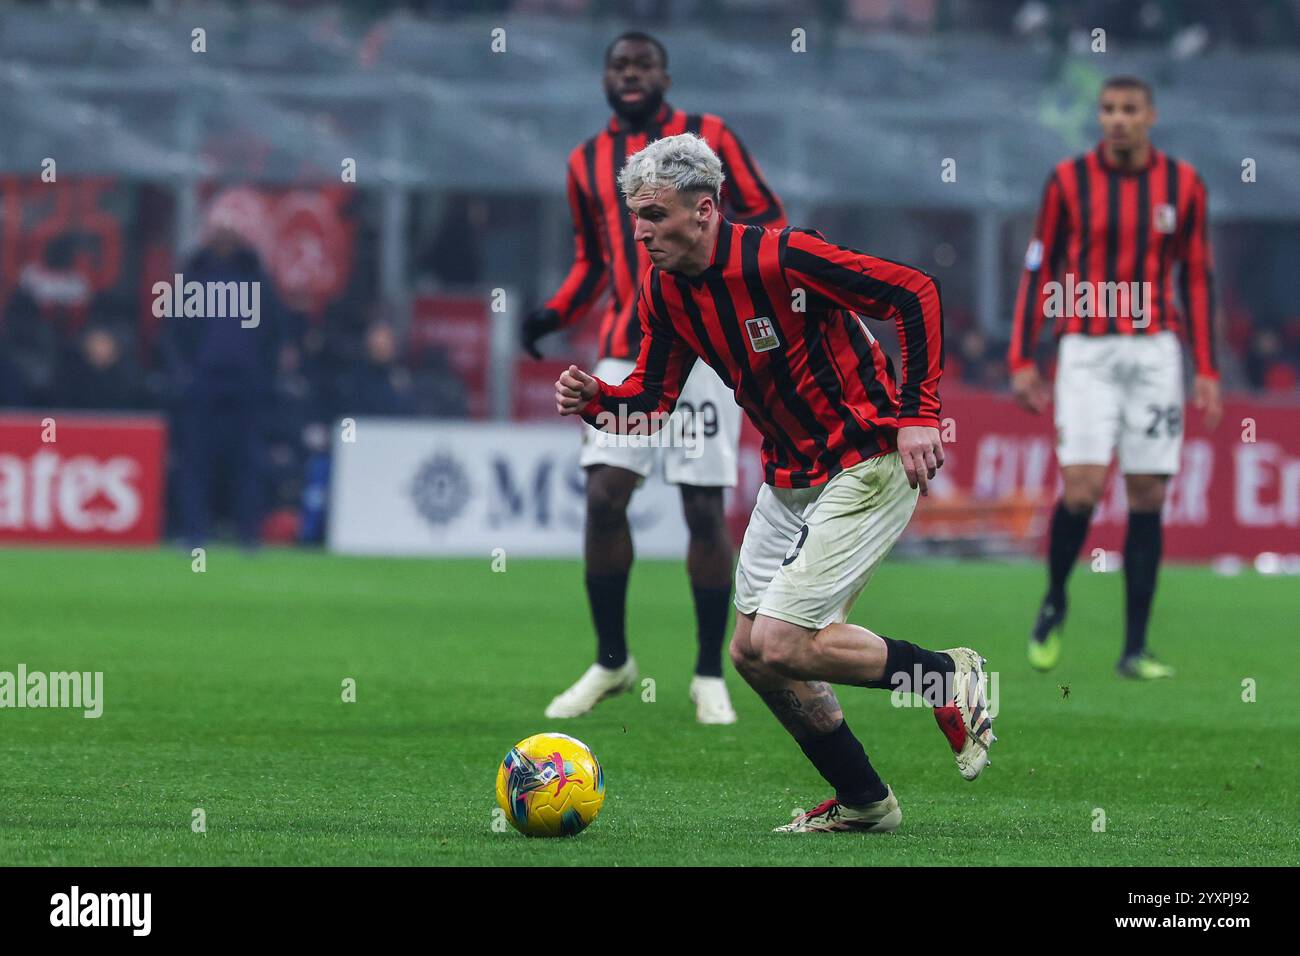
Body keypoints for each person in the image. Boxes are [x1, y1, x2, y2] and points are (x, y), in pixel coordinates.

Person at [555, 132, 994, 833]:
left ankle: (941, 674)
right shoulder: (664, 288)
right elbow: (655, 399)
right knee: (752, 656)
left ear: (704, 209)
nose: (641, 232)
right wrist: (599, 402)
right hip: (790, 477)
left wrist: (920, 415)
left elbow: (915, 293)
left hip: (866, 458)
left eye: (655, 216)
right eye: (635, 217)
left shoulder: (784, 255)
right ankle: (865, 802)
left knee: (787, 642)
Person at [522, 32, 787, 724]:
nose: (631, 76)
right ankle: (612, 660)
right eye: (619, 66)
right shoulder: (586, 161)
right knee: (606, 495)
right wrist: (552, 313)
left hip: (707, 347)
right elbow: (592, 258)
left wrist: (736, 285)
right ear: (605, 78)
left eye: (644, 66)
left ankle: (708, 673)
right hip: (624, 346)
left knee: (701, 506)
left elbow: (768, 219)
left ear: (666, 75)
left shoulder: (712, 136)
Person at [1009, 76, 1221, 679]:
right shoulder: (1067, 182)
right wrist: (1023, 357)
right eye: (1108, 110)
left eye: (1130, 109)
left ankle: (1135, 647)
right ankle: (1054, 599)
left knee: (1149, 495)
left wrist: (1206, 367)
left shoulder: (1183, 185)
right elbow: (1038, 266)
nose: (1118, 119)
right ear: (1099, 117)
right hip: (1086, 350)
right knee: (1082, 489)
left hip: (1156, 351)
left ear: (1151, 115)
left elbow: (1199, 276)